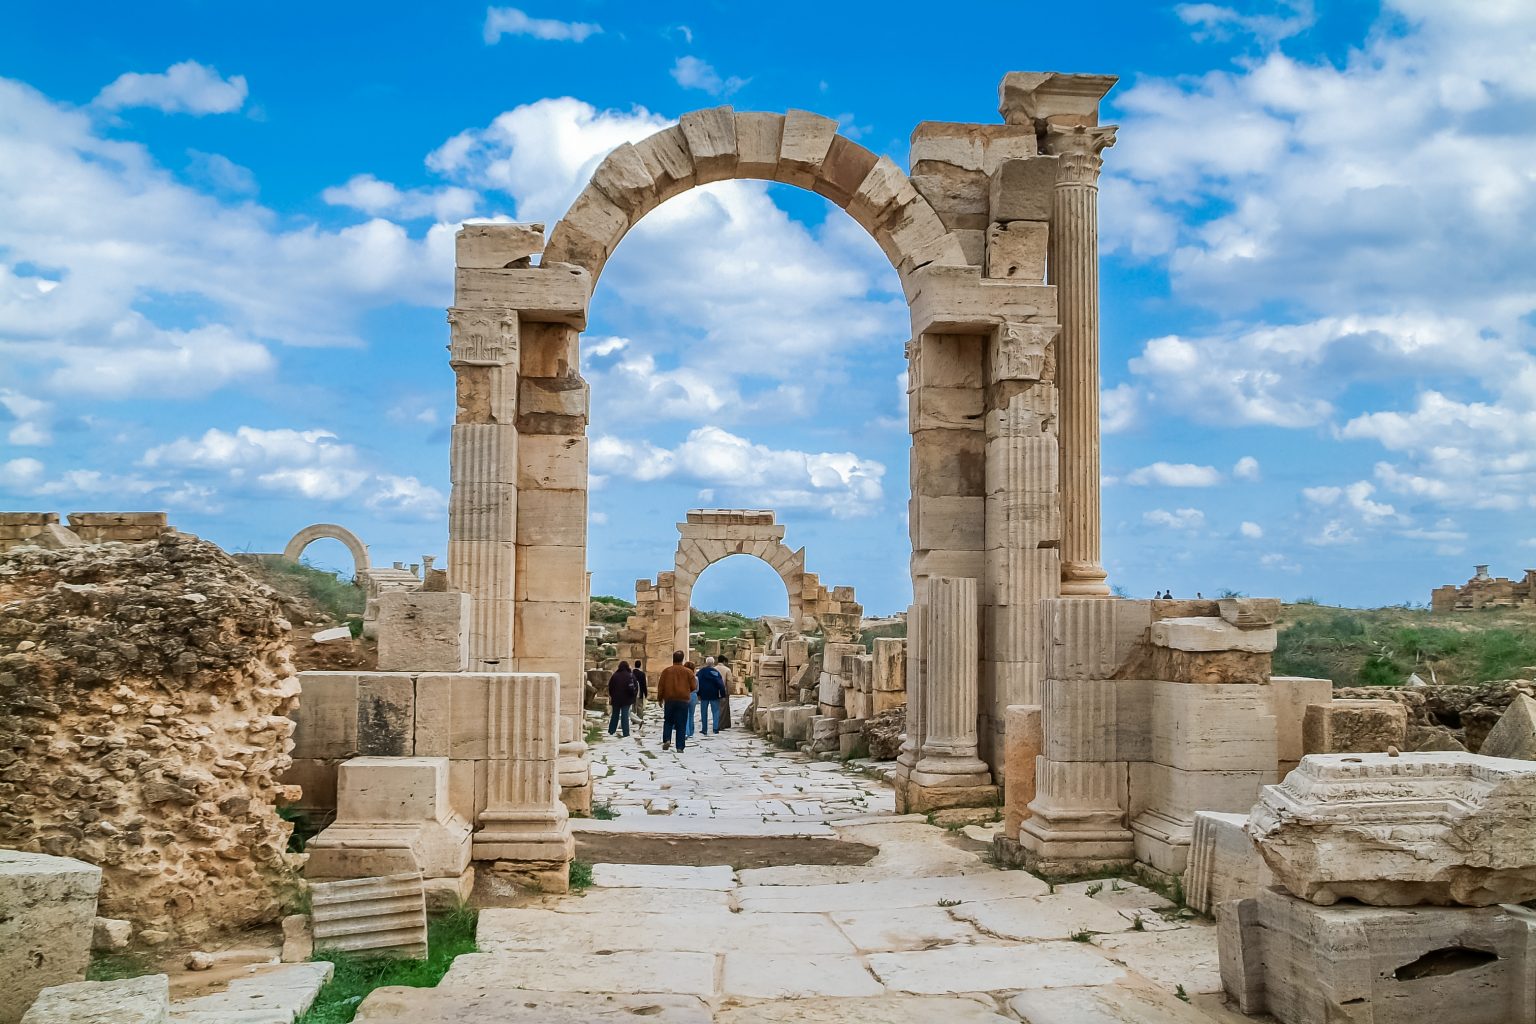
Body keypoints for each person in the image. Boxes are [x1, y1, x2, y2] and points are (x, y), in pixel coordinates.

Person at [657, 651, 697, 752]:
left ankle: (667, 739)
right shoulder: (688, 672)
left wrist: (660, 698)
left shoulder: (666, 671)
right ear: (682, 659)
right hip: (683, 700)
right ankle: (680, 747)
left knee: (668, 721)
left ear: (673, 659)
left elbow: (661, 686)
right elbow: (694, 686)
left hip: (670, 699)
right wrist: (686, 691)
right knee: (681, 723)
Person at [606, 661, 637, 737]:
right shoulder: (630, 675)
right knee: (625, 716)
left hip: (616, 699)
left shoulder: (615, 675)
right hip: (626, 699)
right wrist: (633, 696)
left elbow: (610, 687)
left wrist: (612, 695)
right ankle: (626, 733)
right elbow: (635, 686)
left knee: (615, 715)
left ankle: (611, 730)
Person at [696, 657, 726, 735]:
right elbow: (720, 684)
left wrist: (698, 694)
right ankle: (715, 728)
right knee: (715, 711)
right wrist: (723, 695)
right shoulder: (715, 672)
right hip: (714, 694)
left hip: (703, 694)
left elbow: (697, 683)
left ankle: (704, 729)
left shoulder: (701, 672)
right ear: (713, 663)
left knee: (703, 712)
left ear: (706, 663)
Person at [716, 656, 734, 730]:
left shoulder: (714, 669)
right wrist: (729, 691)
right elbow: (729, 681)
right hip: (723, 691)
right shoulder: (727, 670)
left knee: (717, 708)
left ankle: (726, 723)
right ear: (724, 661)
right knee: (723, 709)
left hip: (714, 691)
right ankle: (720, 724)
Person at [684, 661, 699, 738]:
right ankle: (691, 732)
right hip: (693, 695)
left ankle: (686, 731)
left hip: (685, 695)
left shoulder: (683, 678)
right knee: (691, 715)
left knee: (685, 714)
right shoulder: (695, 678)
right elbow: (697, 689)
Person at [632, 660, 648, 728]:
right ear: (640, 665)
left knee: (633, 706)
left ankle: (634, 720)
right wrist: (645, 693)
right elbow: (644, 685)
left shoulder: (631, 673)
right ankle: (640, 719)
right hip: (640, 692)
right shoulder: (642, 674)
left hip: (632, 693)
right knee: (640, 706)